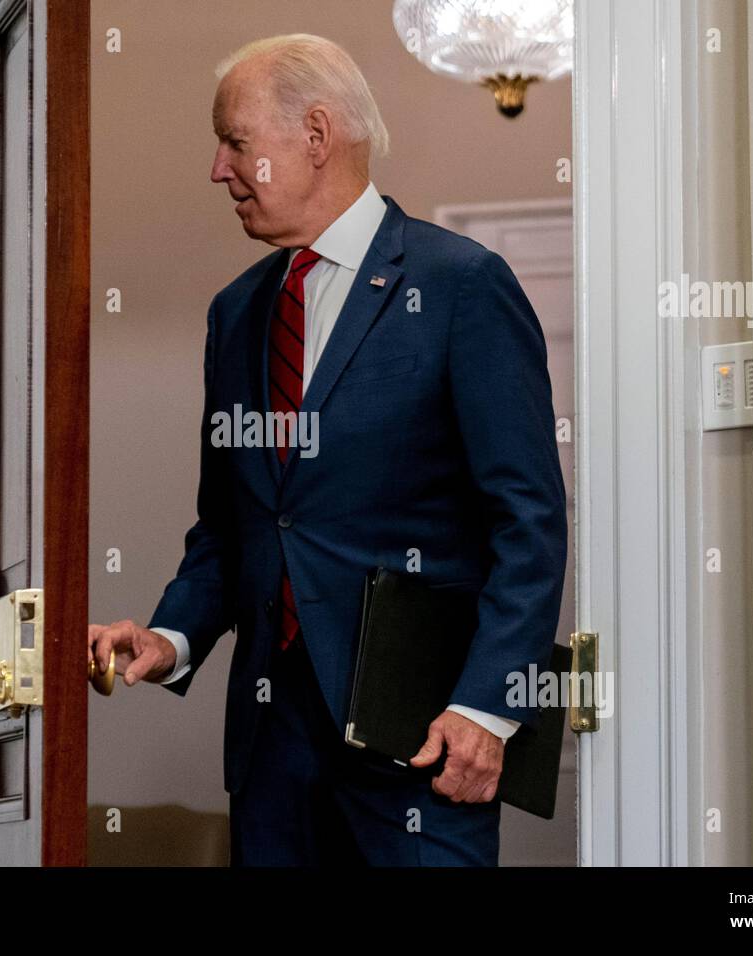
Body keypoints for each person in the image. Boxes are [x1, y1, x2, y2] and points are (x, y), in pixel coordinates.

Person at [89, 33, 567, 866]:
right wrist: (173, 636)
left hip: (421, 740)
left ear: (314, 137)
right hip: (273, 755)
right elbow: (233, 525)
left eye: (234, 142)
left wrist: (487, 710)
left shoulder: (460, 284)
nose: (217, 169)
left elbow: (528, 519)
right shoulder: (236, 313)